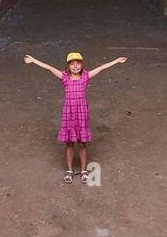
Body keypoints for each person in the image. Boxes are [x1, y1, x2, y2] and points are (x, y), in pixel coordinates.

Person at [23, 51, 127, 183]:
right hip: (69, 114)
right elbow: (50, 68)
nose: (75, 66)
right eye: (72, 64)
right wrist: (34, 60)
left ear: (82, 65)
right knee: (69, 143)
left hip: (82, 113)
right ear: (68, 66)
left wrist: (116, 61)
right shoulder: (64, 78)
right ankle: (69, 171)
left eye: (78, 63)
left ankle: (84, 171)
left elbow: (100, 68)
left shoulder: (85, 77)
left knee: (83, 143)